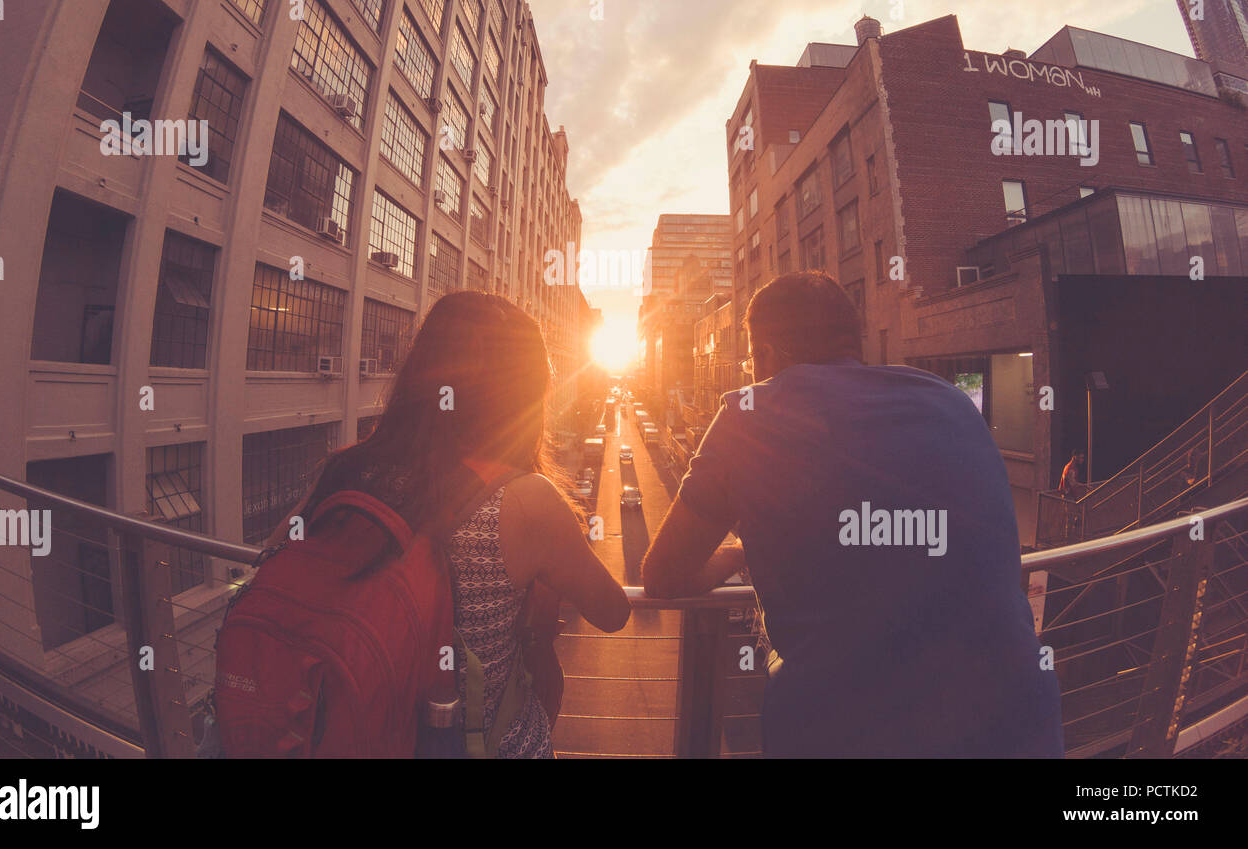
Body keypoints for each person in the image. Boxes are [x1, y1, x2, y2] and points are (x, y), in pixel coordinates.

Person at [642, 271, 1063, 758]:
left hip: (847, 734)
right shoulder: (951, 401)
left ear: (767, 355)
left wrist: (739, 554)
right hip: (1019, 728)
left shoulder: (749, 418)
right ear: (854, 342)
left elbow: (662, 574)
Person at [281, 290, 630, 757]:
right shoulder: (526, 500)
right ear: (526, 396)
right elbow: (613, 612)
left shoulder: (345, 471)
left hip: (344, 735)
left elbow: (279, 569)